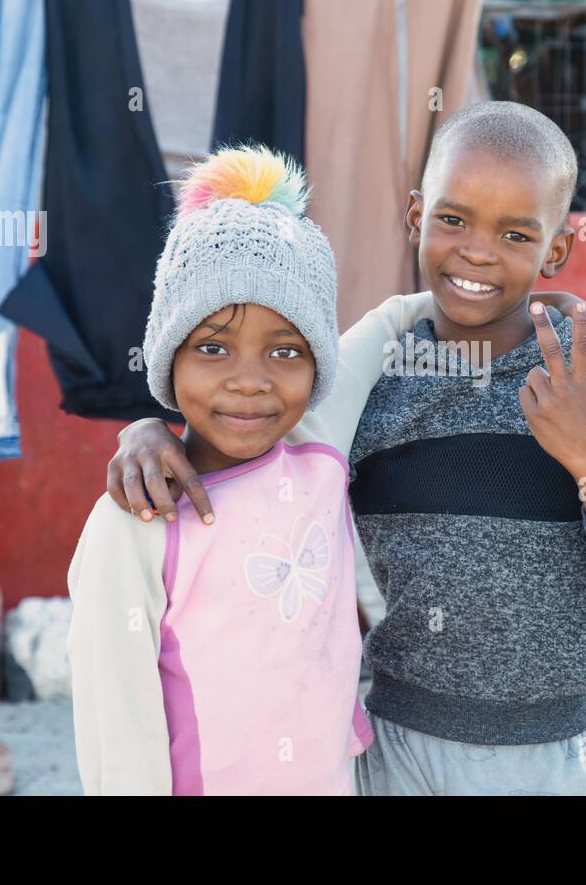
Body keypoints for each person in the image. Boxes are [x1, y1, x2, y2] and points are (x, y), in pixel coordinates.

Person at [105, 102, 586, 795]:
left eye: (515, 234)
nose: (476, 250)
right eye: (453, 219)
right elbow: (250, 440)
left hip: (545, 760)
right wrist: (149, 430)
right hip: (390, 753)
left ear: (555, 250)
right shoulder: (370, 386)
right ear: (416, 217)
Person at [68, 145, 379, 794]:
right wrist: (141, 427)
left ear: (320, 366)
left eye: (286, 350)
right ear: (168, 355)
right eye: (212, 347)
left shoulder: (321, 448)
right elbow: (116, 721)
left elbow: (400, 320)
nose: (248, 381)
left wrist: (538, 303)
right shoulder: (138, 516)